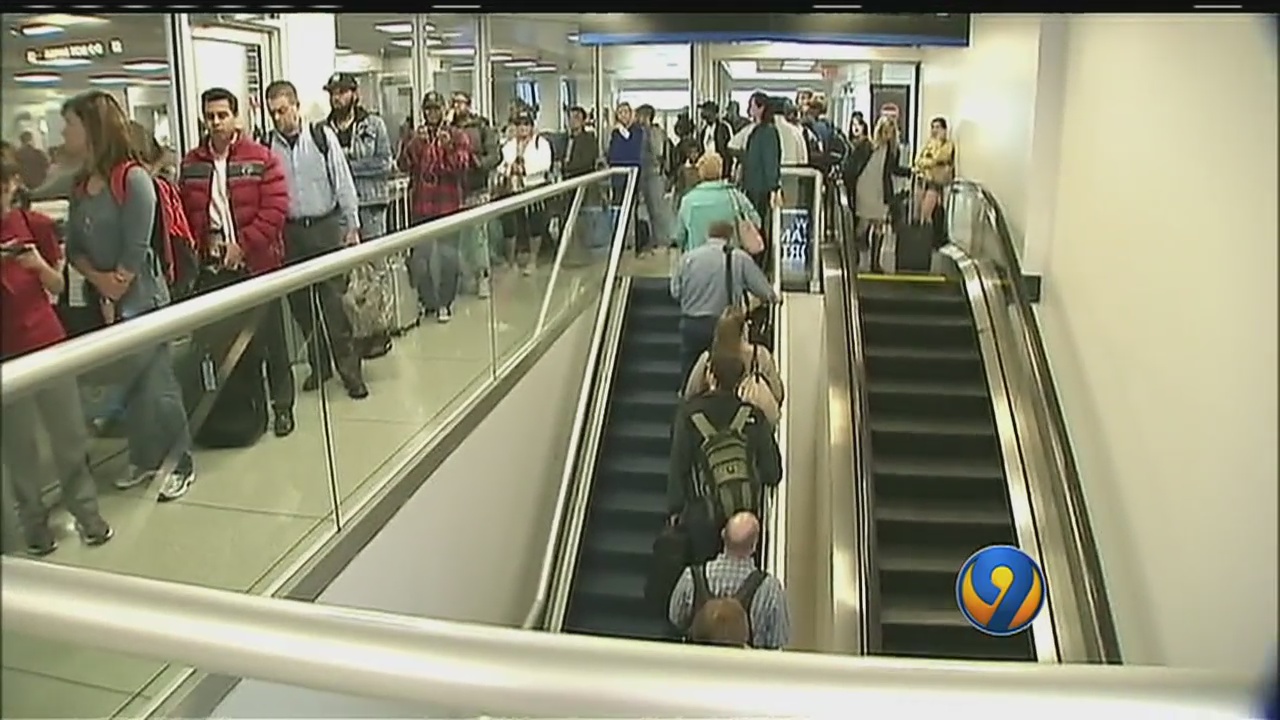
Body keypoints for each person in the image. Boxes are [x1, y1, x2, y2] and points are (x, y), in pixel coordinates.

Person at [61, 90, 197, 501]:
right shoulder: (81, 186)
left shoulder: (134, 180)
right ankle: (144, 457)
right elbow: (74, 249)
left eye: (70, 125)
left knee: (158, 384)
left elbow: (135, 252)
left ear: (92, 130)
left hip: (141, 300)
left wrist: (110, 285)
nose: (64, 133)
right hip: (107, 301)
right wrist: (98, 283)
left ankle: (180, 462)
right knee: (131, 385)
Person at [1, 153, 113, 554]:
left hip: (46, 341)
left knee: (68, 435)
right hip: (6, 355)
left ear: (12, 184)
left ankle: (88, 515)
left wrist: (33, 263)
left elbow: (58, 286)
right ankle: (33, 523)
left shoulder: (36, 225)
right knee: (19, 447)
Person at [179, 86, 296, 437]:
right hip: (215, 270)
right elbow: (189, 212)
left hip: (259, 264)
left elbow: (275, 210)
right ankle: (241, 410)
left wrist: (242, 246)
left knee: (272, 338)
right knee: (228, 344)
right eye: (210, 116)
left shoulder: (261, 158)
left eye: (222, 115)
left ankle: (282, 406)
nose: (216, 123)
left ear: (236, 117)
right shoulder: (192, 164)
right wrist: (207, 244)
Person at [264, 80, 368, 398]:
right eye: (273, 113)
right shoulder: (267, 146)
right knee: (301, 308)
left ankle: (351, 373)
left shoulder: (323, 138)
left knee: (334, 306)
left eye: (283, 110)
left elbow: (342, 180)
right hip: (291, 233)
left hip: (325, 227)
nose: (278, 118)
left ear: (296, 106)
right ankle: (318, 365)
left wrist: (352, 225)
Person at [324, 72, 396, 357]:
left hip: (371, 207)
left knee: (376, 272)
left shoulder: (373, 125)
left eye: (342, 92)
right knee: (346, 279)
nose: (337, 97)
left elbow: (384, 163)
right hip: (339, 212)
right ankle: (354, 333)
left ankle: (379, 332)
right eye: (333, 92)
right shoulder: (323, 131)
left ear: (354, 94)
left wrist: (345, 169)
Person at [669, 219, 778, 393]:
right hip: (724, 327)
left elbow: (675, 292)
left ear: (708, 235)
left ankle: (688, 408)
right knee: (724, 375)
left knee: (690, 376)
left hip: (691, 325)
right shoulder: (739, 258)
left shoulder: (688, 258)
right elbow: (767, 292)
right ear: (731, 237)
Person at [398, 91, 473, 322]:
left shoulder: (457, 135)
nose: (432, 114)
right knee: (420, 258)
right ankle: (428, 301)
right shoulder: (416, 136)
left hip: (447, 205)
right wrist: (413, 144)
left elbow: (462, 166)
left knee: (448, 257)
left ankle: (445, 303)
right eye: (428, 109)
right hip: (421, 207)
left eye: (436, 109)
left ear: (443, 110)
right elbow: (402, 165)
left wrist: (448, 147)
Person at [668, 510, 790, 649]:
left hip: (698, 666)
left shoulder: (691, 577)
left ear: (723, 534)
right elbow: (779, 640)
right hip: (744, 668)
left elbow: (675, 620)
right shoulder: (770, 589)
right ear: (755, 546)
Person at [682, 307, 784, 427]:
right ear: (744, 330)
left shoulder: (709, 359)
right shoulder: (760, 355)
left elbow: (690, 394)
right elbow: (778, 394)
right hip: (752, 429)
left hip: (715, 429)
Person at [449, 90, 501, 299]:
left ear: (469, 105)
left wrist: (478, 163)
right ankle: (463, 276)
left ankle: (483, 277)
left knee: (478, 237)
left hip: (476, 188)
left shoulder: (481, 127)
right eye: (454, 103)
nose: (457, 107)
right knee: (458, 238)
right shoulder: (448, 129)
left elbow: (495, 155)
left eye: (461, 103)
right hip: (453, 191)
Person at [847, 117, 911, 272]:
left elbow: (893, 170)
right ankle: (852, 254)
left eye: (890, 132)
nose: (887, 136)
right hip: (865, 186)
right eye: (884, 132)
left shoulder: (893, 150)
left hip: (881, 190)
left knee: (879, 224)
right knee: (863, 224)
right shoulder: (868, 145)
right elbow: (853, 166)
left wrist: (909, 171)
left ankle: (875, 262)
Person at [497, 111, 552, 275]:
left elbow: (545, 164)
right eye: (519, 124)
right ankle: (511, 261)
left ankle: (532, 260)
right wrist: (509, 169)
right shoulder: (509, 144)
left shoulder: (541, 143)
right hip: (512, 188)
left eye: (526, 124)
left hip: (534, 186)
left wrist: (525, 169)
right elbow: (500, 164)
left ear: (531, 126)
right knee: (511, 226)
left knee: (535, 225)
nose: (522, 128)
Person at [674, 153, 760, 253]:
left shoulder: (688, 201)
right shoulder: (735, 196)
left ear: (700, 172)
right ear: (720, 171)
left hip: (698, 261)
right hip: (730, 260)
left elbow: (679, 237)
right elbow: (756, 221)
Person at [735, 92, 783, 269]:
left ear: (761, 107)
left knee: (758, 226)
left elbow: (770, 161)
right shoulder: (757, 130)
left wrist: (774, 188)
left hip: (760, 188)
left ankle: (760, 264)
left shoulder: (768, 132)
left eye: (752, 104)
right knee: (753, 226)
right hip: (753, 186)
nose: (750, 108)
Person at [605, 102, 645, 251]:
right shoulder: (615, 134)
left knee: (632, 210)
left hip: (632, 175)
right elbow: (613, 153)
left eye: (625, 112)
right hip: (617, 176)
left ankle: (636, 243)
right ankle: (618, 242)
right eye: (620, 112)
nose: (623, 115)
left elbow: (633, 147)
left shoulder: (637, 131)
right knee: (618, 208)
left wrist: (620, 130)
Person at [913, 115, 956, 240]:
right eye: (933, 127)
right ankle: (919, 239)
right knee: (917, 212)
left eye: (938, 127)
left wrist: (932, 156)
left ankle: (928, 240)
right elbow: (918, 160)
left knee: (926, 214)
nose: (934, 130)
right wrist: (930, 162)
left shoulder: (948, 145)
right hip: (922, 180)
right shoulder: (927, 143)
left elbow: (940, 157)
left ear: (944, 129)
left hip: (935, 183)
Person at [698, 102, 733, 179]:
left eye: (707, 111)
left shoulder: (724, 128)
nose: (704, 114)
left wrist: (727, 173)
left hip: (722, 169)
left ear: (714, 113)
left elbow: (729, 151)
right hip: (707, 169)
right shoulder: (703, 131)